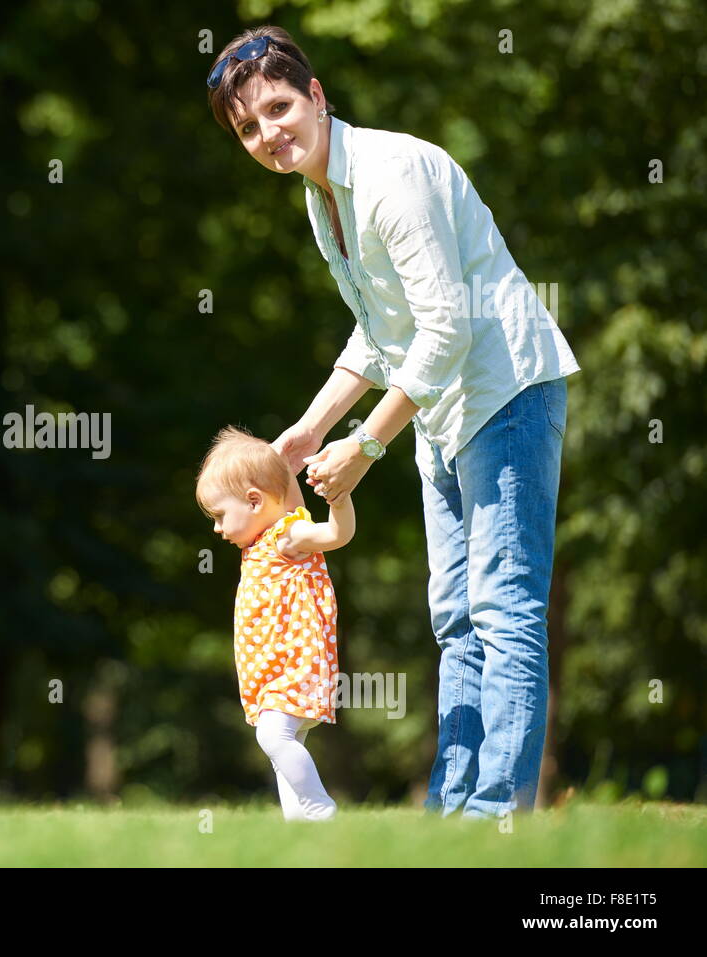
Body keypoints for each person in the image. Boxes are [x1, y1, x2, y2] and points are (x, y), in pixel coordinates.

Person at [205, 26, 580, 818]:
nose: (269, 133)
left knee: (503, 608)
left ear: (316, 96)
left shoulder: (391, 174)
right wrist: (310, 431)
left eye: (278, 107)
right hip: (436, 407)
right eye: (248, 127)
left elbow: (445, 326)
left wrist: (366, 444)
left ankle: (496, 818)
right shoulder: (321, 199)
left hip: (504, 390)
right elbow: (384, 332)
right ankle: (452, 814)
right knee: (454, 617)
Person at [195, 425, 355, 821]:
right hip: (273, 672)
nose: (216, 528)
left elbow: (336, 534)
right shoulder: (262, 541)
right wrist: (281, 462)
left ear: (252, 502)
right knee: (282, 743)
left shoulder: (287, 537)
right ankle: (300, 823)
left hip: (298, 666)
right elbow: (285, 491)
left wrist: (339, 499)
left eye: (218, 515)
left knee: (273, 736)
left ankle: (319, 807)